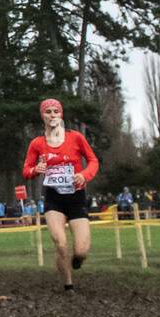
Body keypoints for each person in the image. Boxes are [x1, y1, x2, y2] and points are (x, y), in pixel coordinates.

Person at [22, 98, 100, 293]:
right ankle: (68, 284)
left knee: (81, 250)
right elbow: (26, 170)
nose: (52, 115)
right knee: (60, 242)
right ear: (43, 116)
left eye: (55, 111)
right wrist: (35, 170)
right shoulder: (37, 143)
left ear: (61, 114)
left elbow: (93, 161)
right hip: (53, 198)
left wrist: (84, 175)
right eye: (48, 111)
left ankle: (77, 260)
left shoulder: (75, 138)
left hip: (76, 197)